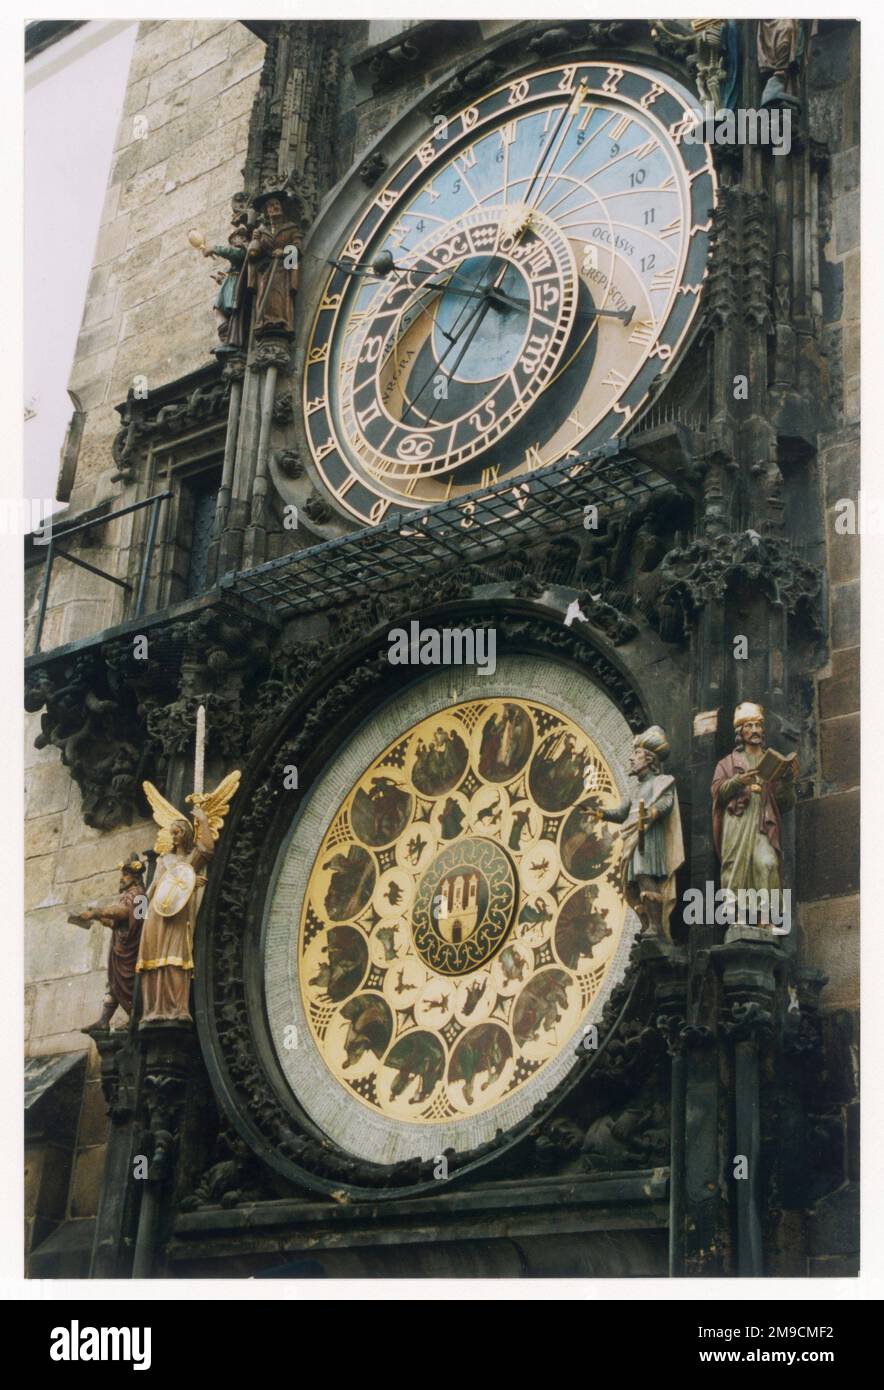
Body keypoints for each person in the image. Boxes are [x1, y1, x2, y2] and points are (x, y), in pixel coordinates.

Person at [597, 725, 684, 941]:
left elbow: (666, 802)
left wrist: (652, 813)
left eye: (636, 755)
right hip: (632, 836)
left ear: (649, 759)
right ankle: (646, 926)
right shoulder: (634, 790)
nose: (631, 759)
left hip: (648, 836)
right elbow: (620, 813)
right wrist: (600, 813)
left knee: (645, 876)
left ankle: (657, 926)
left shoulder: (661, 782)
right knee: (633, 884)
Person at [711, 702, 795, 923]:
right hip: (737, 821)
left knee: (768, 863)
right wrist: (739, 780)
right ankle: (736, 919)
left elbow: (784, 804)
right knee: (736, 867)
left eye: (758, 725)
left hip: (762, 820)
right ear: (741, 731)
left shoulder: (770, 761)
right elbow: (718, 793)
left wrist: (786, 783)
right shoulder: (727, 763)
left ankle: (765, 920)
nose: (755, 730)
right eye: (749, 726)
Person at [136, 808, 213, 1025]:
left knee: (176, 957)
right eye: (172, 833)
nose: (174, 836)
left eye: (178, 832)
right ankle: (153, 1009)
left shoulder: (192, 858)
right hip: (156, 913)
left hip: (179, 913)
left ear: (187, 833)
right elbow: (151, 888)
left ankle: (178, 1008)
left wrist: (204, 821)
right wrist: (138, 916)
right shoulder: (164, 859)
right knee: (153, 960)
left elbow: (207, 849)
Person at [77, 853, 146, 1035]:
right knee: (114, 983)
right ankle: (103, 1021)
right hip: (121, 946)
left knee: (128, 983)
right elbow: (118, 921)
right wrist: (100, 918)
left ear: (135, 877)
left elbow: (125, 914)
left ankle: (135, 1016)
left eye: (125, 875)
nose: (121, 879)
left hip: (132, 949)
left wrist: (98, 912)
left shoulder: (139, 895)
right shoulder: (129, 895)